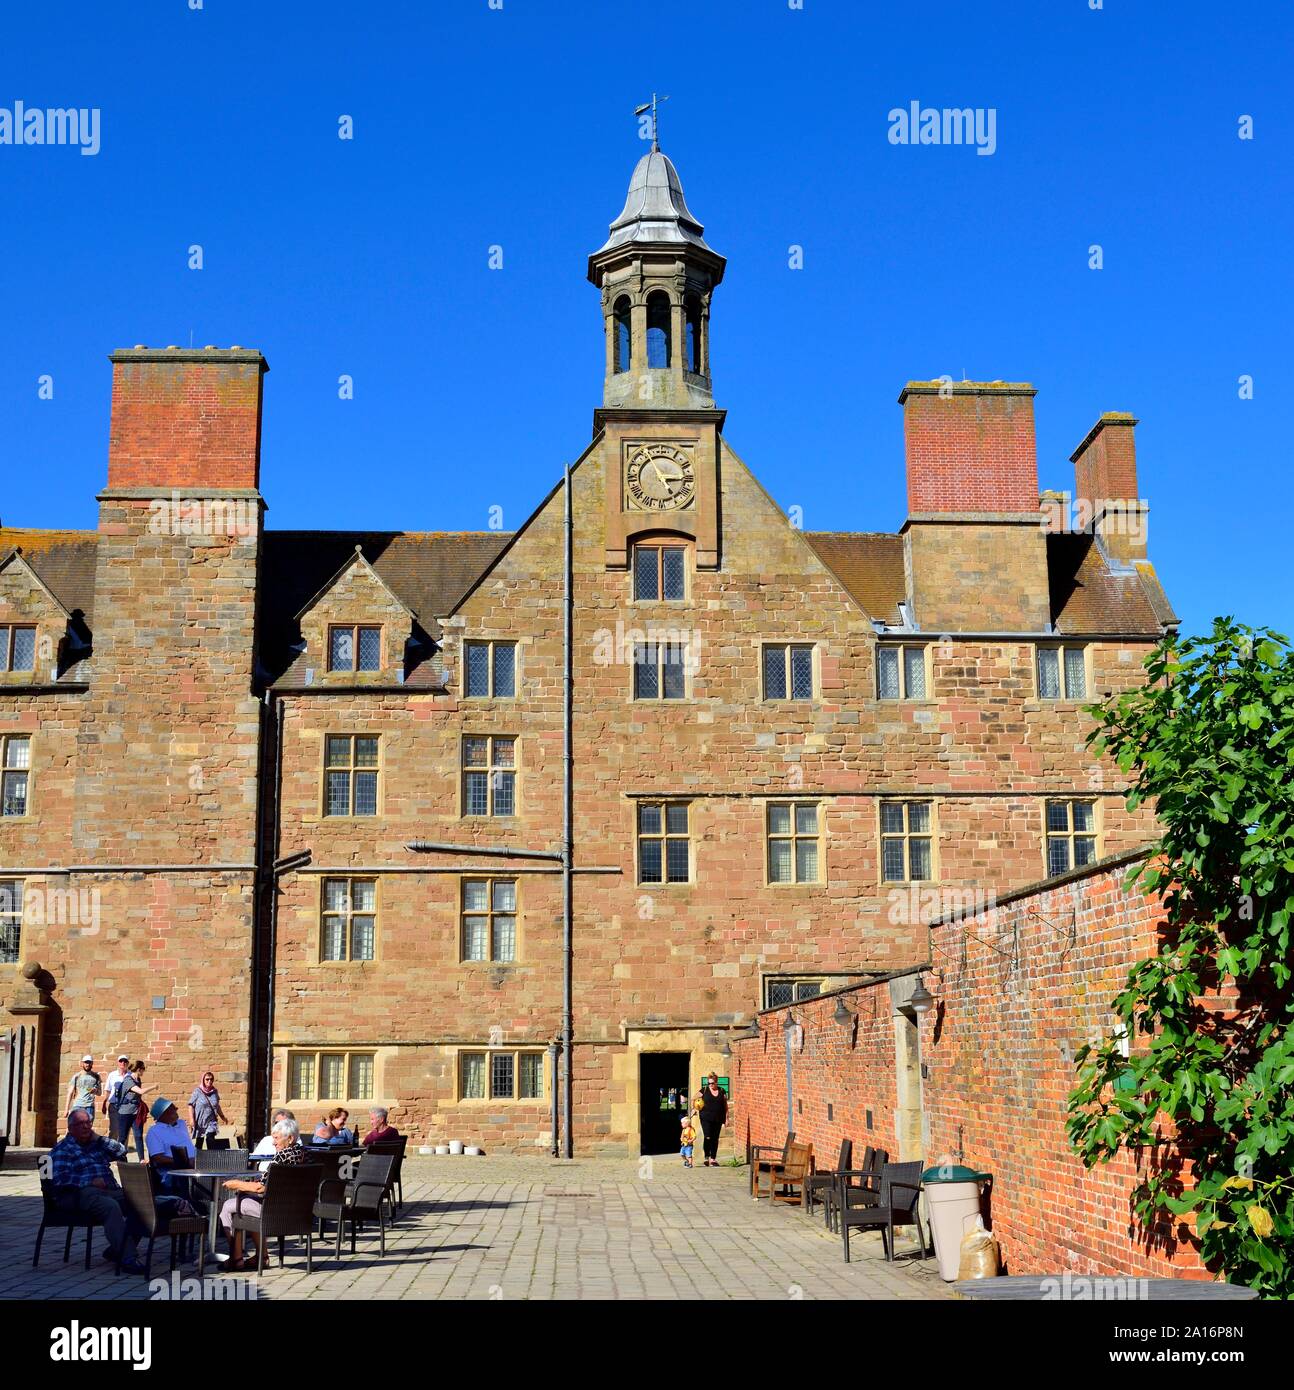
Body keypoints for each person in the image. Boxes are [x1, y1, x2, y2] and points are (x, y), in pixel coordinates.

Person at [47, 1109, 146, 1274]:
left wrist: (99, 1138)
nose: (86, 1127)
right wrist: (89, 1182)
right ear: (70, 1128)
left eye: (88, 1123)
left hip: (109, 1190)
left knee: (141, 1202)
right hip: (80, 1194)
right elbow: (59, 1180)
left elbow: (122, 1152)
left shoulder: (96, 1145)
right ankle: (127, 1257)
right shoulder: (62, 1149)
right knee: (110, 1206)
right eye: (81, 1124)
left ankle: (116, 1250)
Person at [217, 1116, 310, 1269]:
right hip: (297, 1212)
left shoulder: (282, 1156)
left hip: (274, 1212)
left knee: (228, 1206)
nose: (273, 1142)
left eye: (276, 1138)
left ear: (291, 1138)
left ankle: (237, 1259)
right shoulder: (306, 1154)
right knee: (248, 1202)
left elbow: (261, 1188)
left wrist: (237, 1184)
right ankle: (262, 1257)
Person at [143, 1098, 196, 1191]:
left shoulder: (181, 1124)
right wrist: (185, 1161)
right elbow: (158, 1158)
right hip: (172, 1169)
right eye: (173, 1108)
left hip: (194, 1164)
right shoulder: (154, 1132)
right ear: (163, 1113)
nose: (176, 1109)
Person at [112, 1060, 154, 1160]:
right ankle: (121, 1159)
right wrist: (154, 1086)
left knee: (138, 1136)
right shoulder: (128, 1080)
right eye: (143, 1069)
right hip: (125, 1113)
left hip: (136, 1113)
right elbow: (140, 1091)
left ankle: (142, 1159)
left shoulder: (138, 1080)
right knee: (122, 1137)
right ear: (139, 1069)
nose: (144, 1072)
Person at [187, 1070, 229, 1149]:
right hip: (200, 1121)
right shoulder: (197, 1091)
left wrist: (222, 1116)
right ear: (203, 1080)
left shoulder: (214, 1092)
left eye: (211, 1079)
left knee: (210, 1140)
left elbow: (217, 1105)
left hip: (211, 1121)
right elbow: (191, 1105)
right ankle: (197, 1159)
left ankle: (211, 1159)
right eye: (207, 1079)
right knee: (199, 1143)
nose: (209, 1081)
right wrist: (191, 1120)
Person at [697, 1072, 728, 1167]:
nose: (710, 1085)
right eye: (709, 1083)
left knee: (715, 1138)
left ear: (716, 1082)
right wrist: (696, 1107)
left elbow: (725, 1106)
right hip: (705, 1117)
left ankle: (713, 1159)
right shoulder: (704, 1090)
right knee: (708, 1136)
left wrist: (727, 1118)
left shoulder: (722, 1091)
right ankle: (707, 1157)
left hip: (718, 1118)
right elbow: (694, 1098)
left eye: (712, 1083)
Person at [101, 1054, 131, 1121]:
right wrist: (104, 1103)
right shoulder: (112, 1075)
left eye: (125, 1061)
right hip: (114, 1105)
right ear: (118, 1063)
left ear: (128, 1063)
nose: (123, 1063)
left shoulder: (131, 1075)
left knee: (124, 1129)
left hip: (126, 1105)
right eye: (121, 1061)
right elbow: (108, 1090)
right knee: (114, 1128)